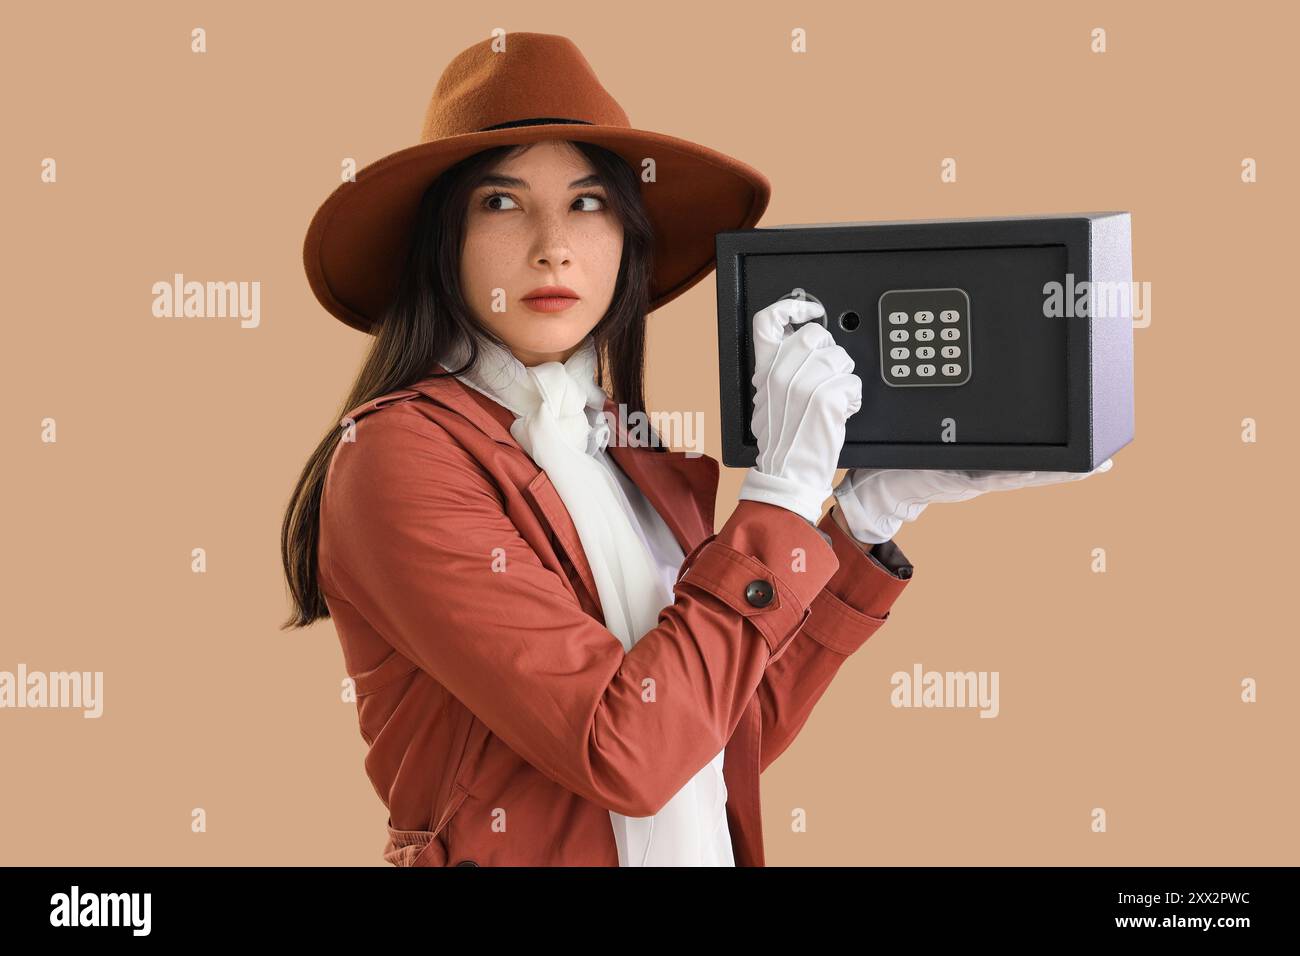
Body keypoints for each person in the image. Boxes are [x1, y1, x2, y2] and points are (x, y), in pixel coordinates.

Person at [280, 32, 1110, 867]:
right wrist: (777, 500)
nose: (552, 245)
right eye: (500, 203)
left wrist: (864, 516)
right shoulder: (395, 460)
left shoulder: (623, 450)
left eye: (588, 202)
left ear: (627, 239)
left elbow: (719, 731)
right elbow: (628, 749)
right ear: (441, 244)